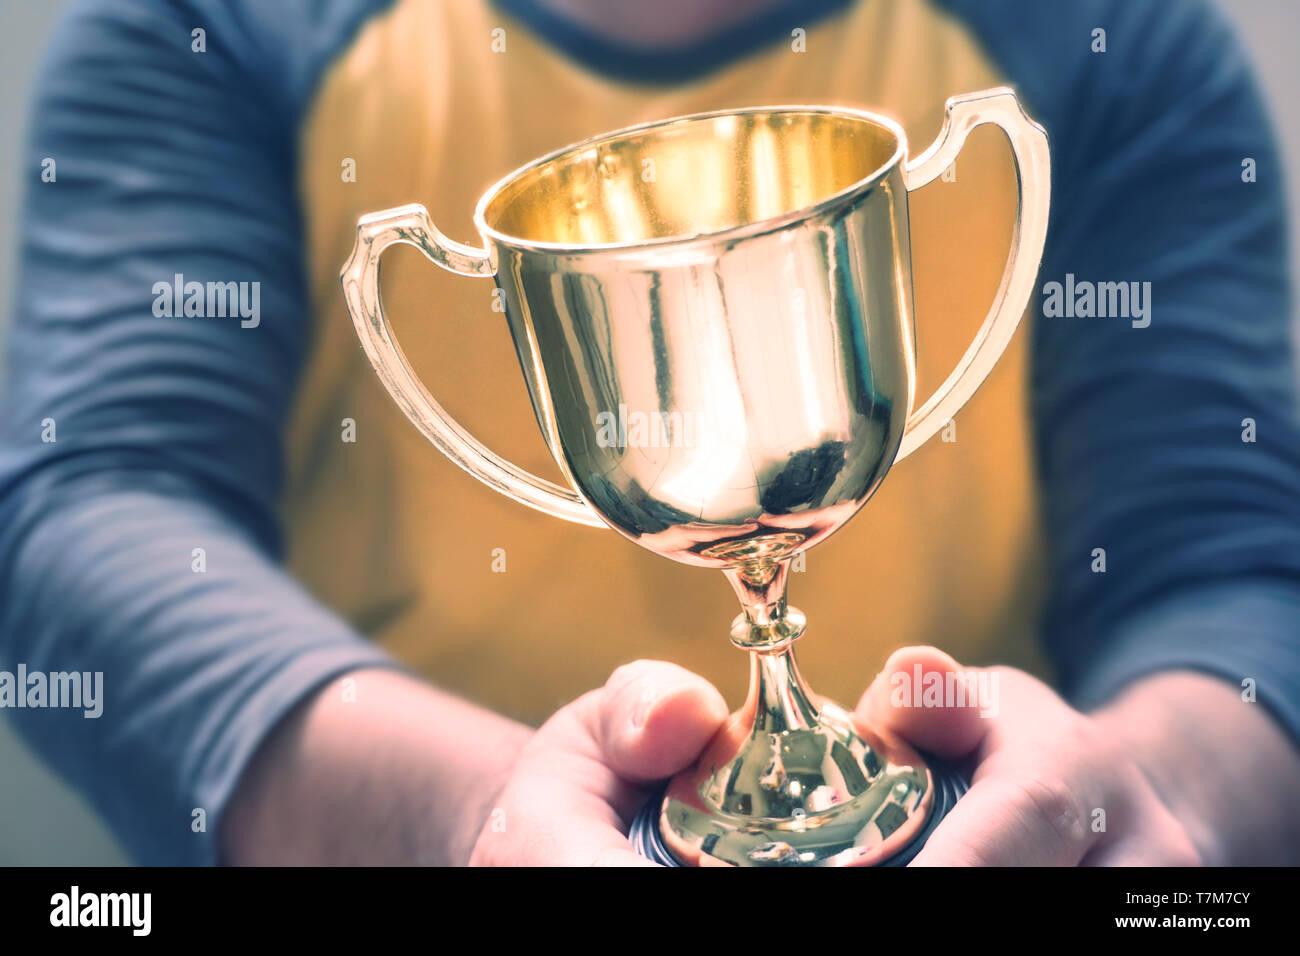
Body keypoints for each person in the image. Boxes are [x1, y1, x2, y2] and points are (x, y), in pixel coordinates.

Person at [2, 0, 1298, 867]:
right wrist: (467, 823)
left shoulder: (1118, 36)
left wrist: (1153, 805)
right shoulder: (209, 26)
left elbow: (1229, 564)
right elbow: (87, 520)